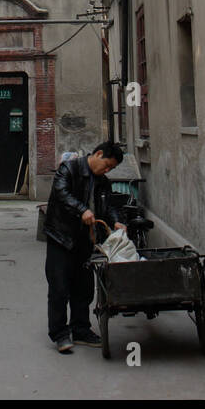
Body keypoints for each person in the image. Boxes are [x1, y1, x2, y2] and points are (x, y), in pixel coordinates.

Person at [42, 141, 125, 352]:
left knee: (83, 288)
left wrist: (116, 220)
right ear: (97, 154)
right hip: (61, 237)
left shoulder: (103, 182)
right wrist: (82, 210)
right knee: (59, 287)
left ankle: (80, 329)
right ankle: (60, 334)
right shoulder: (69, 168)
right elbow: (61, 194)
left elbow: (109, 206)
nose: (107, 170)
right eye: (107, 165)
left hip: (85, 241)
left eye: (111, 169)